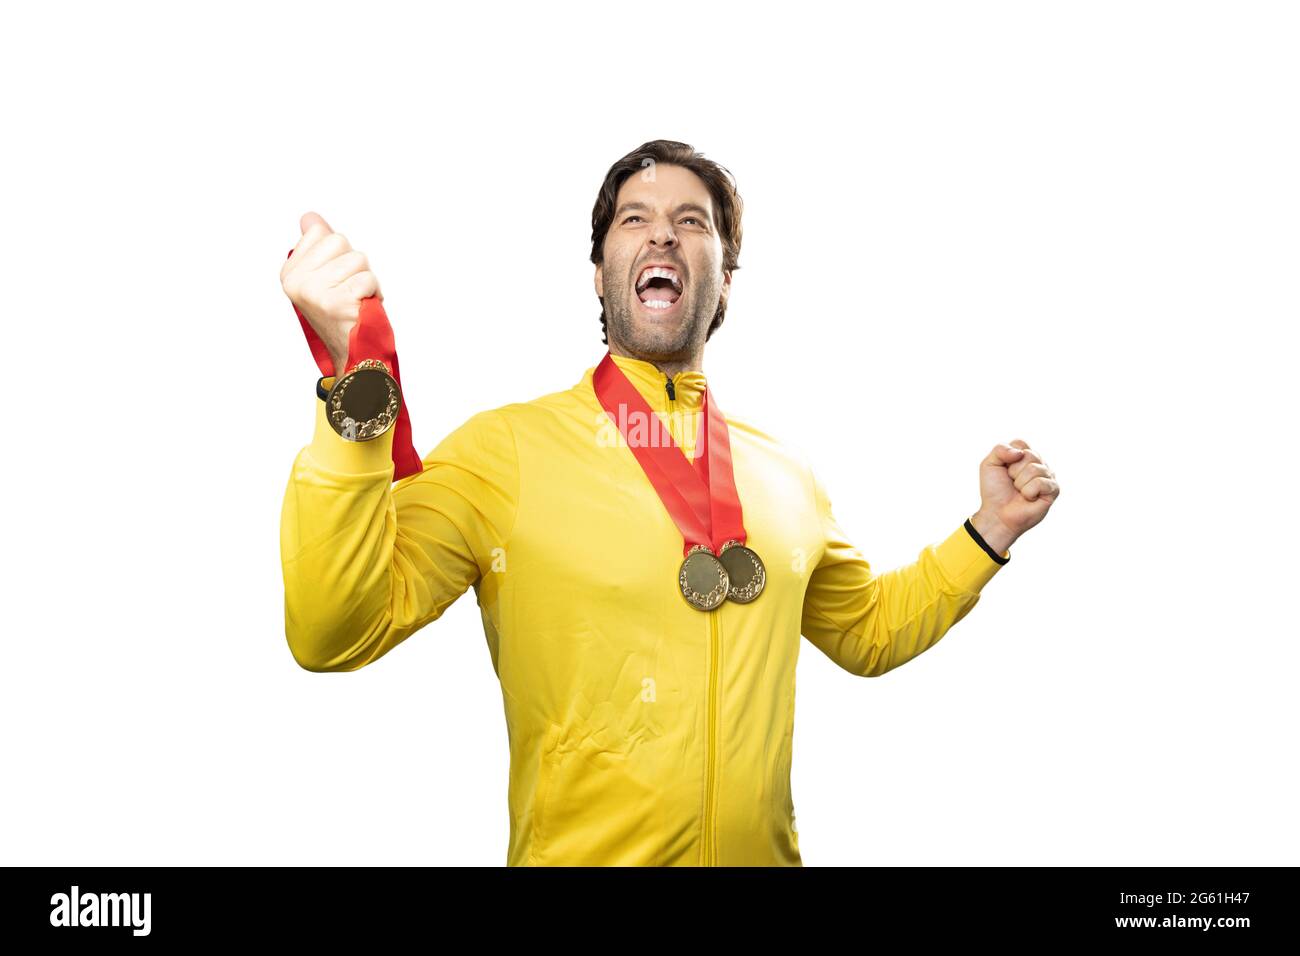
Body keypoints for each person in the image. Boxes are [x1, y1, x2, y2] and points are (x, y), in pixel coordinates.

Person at [278, 139, 1060, 867]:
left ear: (725, 277)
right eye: (634, 220)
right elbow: (335, 630)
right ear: (598, 269)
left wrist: (988, 532)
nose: (663, 237)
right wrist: (357, 383)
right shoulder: (503, 453)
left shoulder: (786, 473)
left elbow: (869, 634)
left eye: (693, 223)